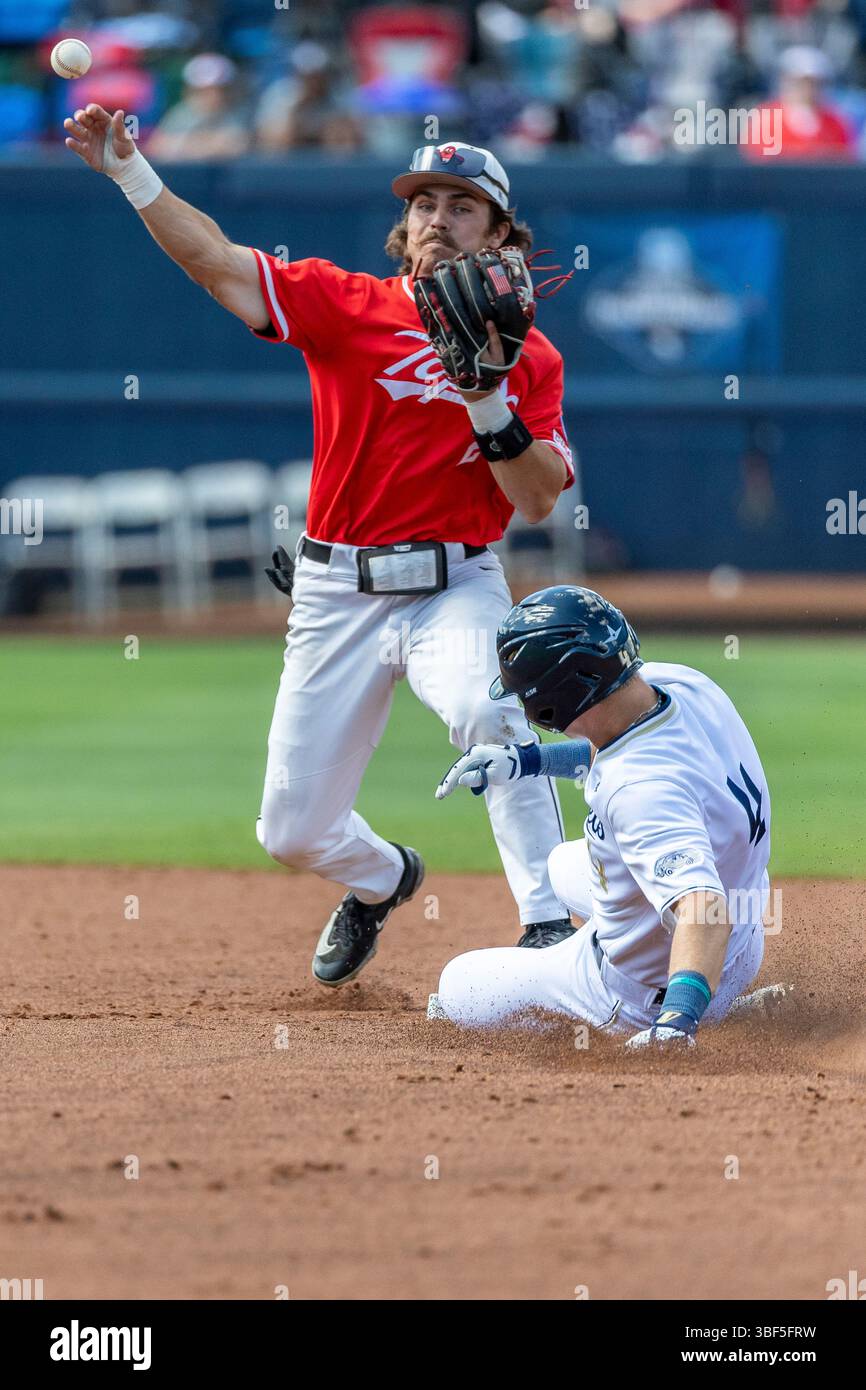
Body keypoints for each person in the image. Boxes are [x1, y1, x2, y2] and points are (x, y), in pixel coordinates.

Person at [61, 114, 577, 986]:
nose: (436, 218)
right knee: (290, 833)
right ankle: (384, 879)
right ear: (404, 226)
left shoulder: (530, 359)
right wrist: (131, 173)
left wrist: (489, 399)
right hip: (336, 590)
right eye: (423, 203)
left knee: (490, 714)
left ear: (500, 233)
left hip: (455, 586)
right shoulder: (349, 304)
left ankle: (550, 925)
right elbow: (217, 261)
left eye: (462, 205)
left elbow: (532, 501)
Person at [432, 585, 772, 1048]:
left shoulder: (639, 791)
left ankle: (698, 1009)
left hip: (648, 990)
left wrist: (675, 1024)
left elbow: (705, 911)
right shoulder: (681, 685)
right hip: (743, 941)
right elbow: (609, 741)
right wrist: (525, 761)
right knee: (560, 866)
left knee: (458, 988)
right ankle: (717, 994)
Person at [147, 53, 249, 162]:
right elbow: (157, 147)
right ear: (190, 90)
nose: (212, 95)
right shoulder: (181, 113)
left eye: (218, 89)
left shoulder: (237, 112)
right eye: (202, 90)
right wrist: (202, 143)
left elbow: (238, 144)